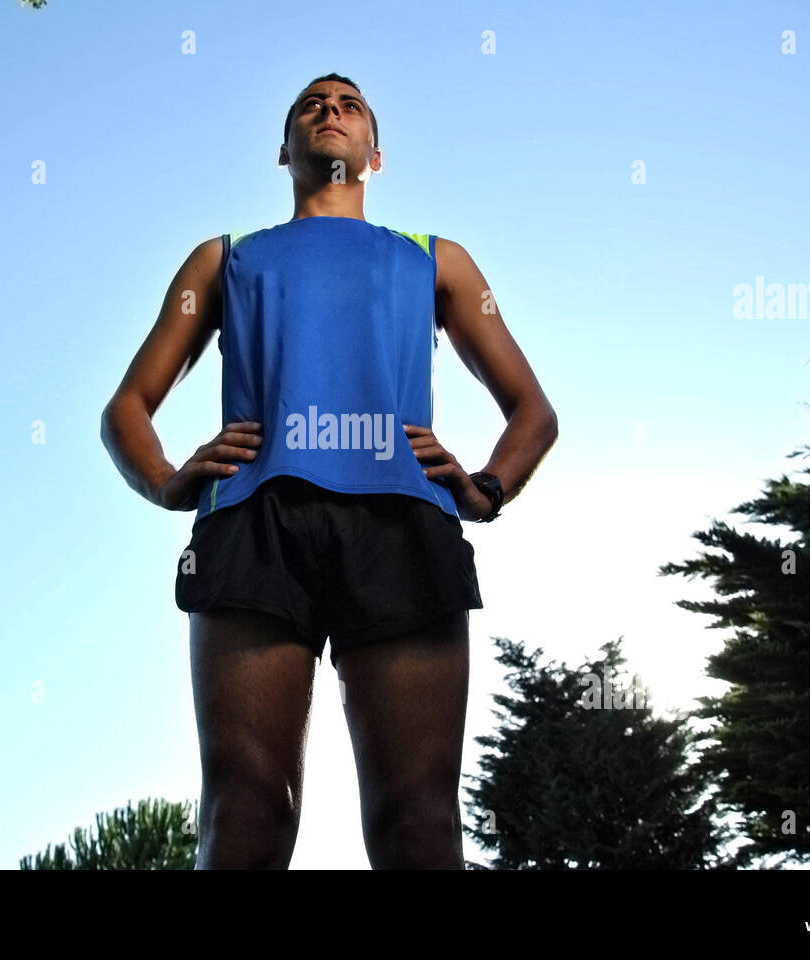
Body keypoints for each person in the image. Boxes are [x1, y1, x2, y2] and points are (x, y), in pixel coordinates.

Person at [100, 73, 558, 869]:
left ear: (375, 154)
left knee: (418, 818)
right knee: (246, 805)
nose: (330, 111)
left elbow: (534, 413)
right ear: (284, 151)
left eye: (348, 105)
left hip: (403, 523)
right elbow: (126, 410)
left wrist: (485, 489)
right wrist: (170, 480)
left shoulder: (434, 260)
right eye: (312, 104)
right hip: (254, 521)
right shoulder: (225, 259)